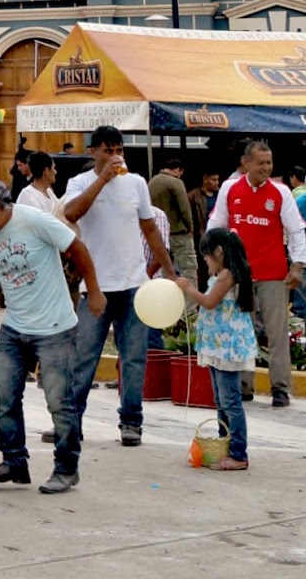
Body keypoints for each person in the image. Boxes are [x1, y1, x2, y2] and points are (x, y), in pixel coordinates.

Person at [0, 182, 101, 495]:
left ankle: (66, 468)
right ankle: (14, 462)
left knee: (59, 402)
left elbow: (77, 248)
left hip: (55, 327)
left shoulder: (34, 220)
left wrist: (93, 291)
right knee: (5, 399)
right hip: (14, 327)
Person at [61, 126, 176, 446]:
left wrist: (169, 272)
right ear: (92, 152)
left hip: (133, 283)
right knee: (85, 357)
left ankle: (131, 421)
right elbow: (71, 213)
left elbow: (150, 228)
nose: (115, 156)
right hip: (96, 285)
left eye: (118, 149)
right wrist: (102, 180)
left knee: (134, 356)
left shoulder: (137, 182)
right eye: (107, 150)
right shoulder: (80, 182)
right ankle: (72, 421)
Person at [207, 140, 306, 407]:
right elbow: (216, 224)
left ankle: (281, 389)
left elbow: (296, 230)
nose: (266, 168)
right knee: (242, 331)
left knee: (276, 333)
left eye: (269, 162)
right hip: (239, 277)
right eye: (261, 162)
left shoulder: (281, 192)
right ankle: (243, 386)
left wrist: (297, 265)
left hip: (273, 273)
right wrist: (214, 260)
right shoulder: (230, 188)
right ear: (246, 163)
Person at [178, 227, 255, 469]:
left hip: (227, 346)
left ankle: (239, 453)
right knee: (221, 400)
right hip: (216, 345)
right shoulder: (219, 275)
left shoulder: (227, 276)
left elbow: (210, 302)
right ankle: (225, 445)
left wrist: (188, 289)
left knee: (230, 401)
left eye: (206, 255)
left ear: (219, 252)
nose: (205, 260)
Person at [149, 155, 196, 282]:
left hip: (159, 232)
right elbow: (184, 208)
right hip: (178, 232)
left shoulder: (152, 182)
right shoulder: (176, 182)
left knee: (163, 268)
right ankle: (190, 301)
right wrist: (190, 227)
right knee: (188, 268)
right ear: (178, 170)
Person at [15, 149, 61, 215]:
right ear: (46, 171)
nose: (55, 172)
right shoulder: (27, 195)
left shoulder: (48, 192)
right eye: (53, 168)